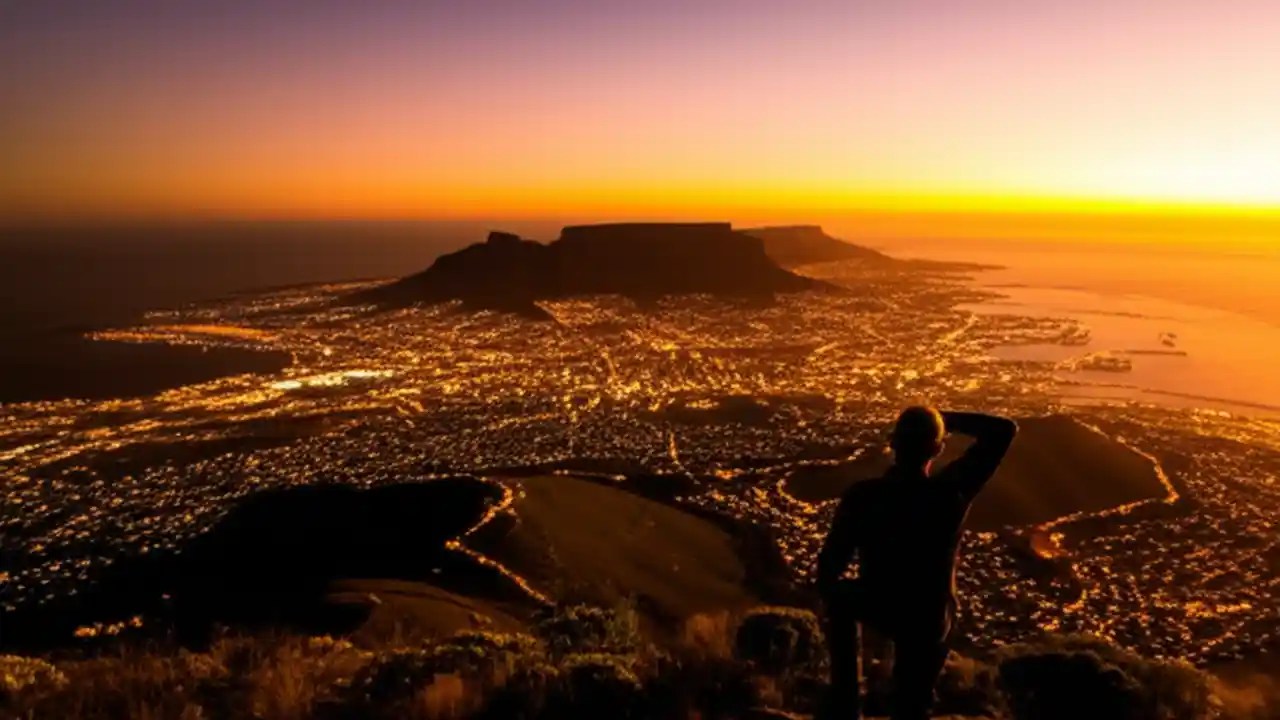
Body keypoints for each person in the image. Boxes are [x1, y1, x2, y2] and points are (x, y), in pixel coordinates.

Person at [816, 407, 1017, 720]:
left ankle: (846, 697)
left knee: (840, 600)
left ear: (893, 444)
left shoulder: (863, 497)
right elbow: (1004, 430)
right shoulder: (950, 493)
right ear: (937, 448)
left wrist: (848, 594)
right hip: (928, 615)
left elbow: (829, 568)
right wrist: (942, 417)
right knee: (913, 700)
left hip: (877, 601)